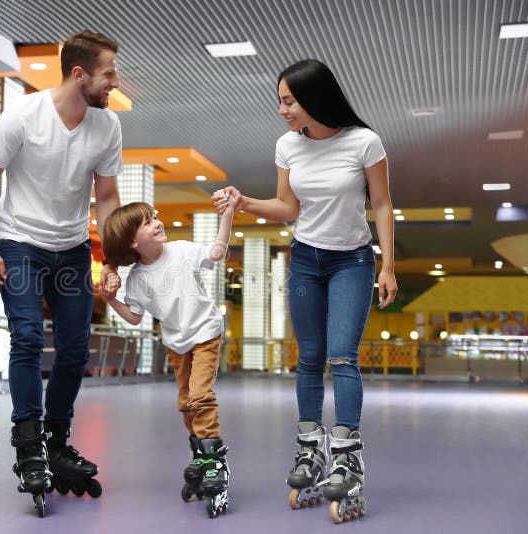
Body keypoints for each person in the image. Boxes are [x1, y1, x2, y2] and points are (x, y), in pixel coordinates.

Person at [214, 59, 397, 523]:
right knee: (310, 358)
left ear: (315, 99)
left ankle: (347, 459)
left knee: (342, 357)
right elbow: (287, 207)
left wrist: (389, 266)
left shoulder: (364, 142)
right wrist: (243, 201)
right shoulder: (287, 146)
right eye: (280, 101)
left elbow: (381, 204)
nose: (282, 110)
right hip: (305, 260)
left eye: (288, 101)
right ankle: (310, 451)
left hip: (352, 260)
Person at [0, 30, 123, 515]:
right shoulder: (23, 115)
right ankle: (28, 444)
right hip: (19, 244)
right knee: (29, 338)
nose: (115, 83)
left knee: (75, 348)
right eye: (108, 74)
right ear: (79, 74)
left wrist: (112, 259)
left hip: (72, 249)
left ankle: (56, 439)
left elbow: (107, 197)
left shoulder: (107, 126)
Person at [100, 200, 235, 518]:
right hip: (176, 343)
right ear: (133, 242)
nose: (157, 222)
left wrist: (227, 216)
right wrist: (110, 299)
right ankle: (201, 454)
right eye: (148, 222)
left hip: (205, 333)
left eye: (155, 217)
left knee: (200, 395)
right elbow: (135, 317)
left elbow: (216, 252)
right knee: (186, 403)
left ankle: (215, 460)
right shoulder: (137, 279)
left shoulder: (182, 251)